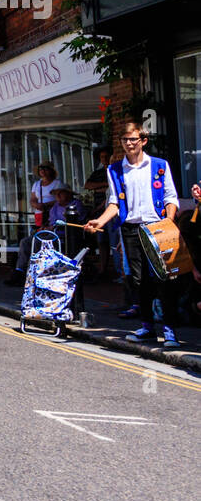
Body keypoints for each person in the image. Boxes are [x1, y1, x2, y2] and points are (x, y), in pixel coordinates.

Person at [85, 119, 182, 349]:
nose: (129, 144)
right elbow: (114, 203)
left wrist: (168, 222)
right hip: (130, 229)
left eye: (133, 140)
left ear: (143, 141)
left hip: (156, 227)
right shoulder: (115, 170)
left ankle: (169, 330)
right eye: (125, 140)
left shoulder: (159, 165)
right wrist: (99, 221)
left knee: (163, 278)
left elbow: (170, 197)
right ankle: (148, 327)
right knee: (138, 280)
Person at [84, 145, 113, 277]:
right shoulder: (98, 173)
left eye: (106, 156)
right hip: (98, 212)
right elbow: (87, 185)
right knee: (101, 240)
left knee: (113, 240)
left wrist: (102, 190)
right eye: (102, 157)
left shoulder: (114, 171)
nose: (105, 159)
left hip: (109, 209)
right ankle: (103, 268)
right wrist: (105, 185)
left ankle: (118, 270)